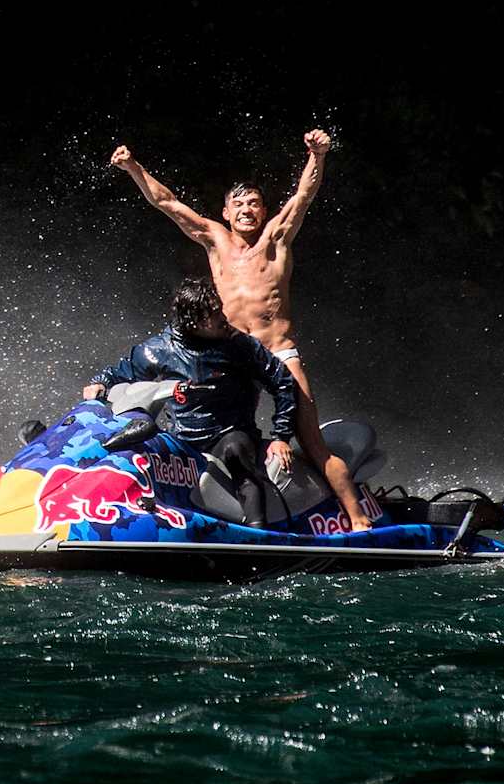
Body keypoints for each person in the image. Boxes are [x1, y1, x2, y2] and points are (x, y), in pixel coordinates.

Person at [108, 128, 373, 530]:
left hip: (278, 353)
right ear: (226, 212)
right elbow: (167, 203)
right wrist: (132, 167)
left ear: (263, 211)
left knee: (311, 442)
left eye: (254, 203)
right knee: (221, 433)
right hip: (232, 357)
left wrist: (318, 157)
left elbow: (303, 197)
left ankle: (356, 518)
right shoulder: (215, 240)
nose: (248, 209)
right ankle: (216, 509)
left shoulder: (276, 239)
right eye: (239, 204)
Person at [83, 278, 297, 528]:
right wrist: (100, 382)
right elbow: (123, 371)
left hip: (230, 436)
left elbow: (282, 381)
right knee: (139, 444)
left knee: (235, 450)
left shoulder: (239, 345)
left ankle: (258, 532)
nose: (223, 317)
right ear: (193, 322)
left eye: (220, 309)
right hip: (183, 440)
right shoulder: (160, 348)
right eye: (214, 314)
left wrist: (281, 436)